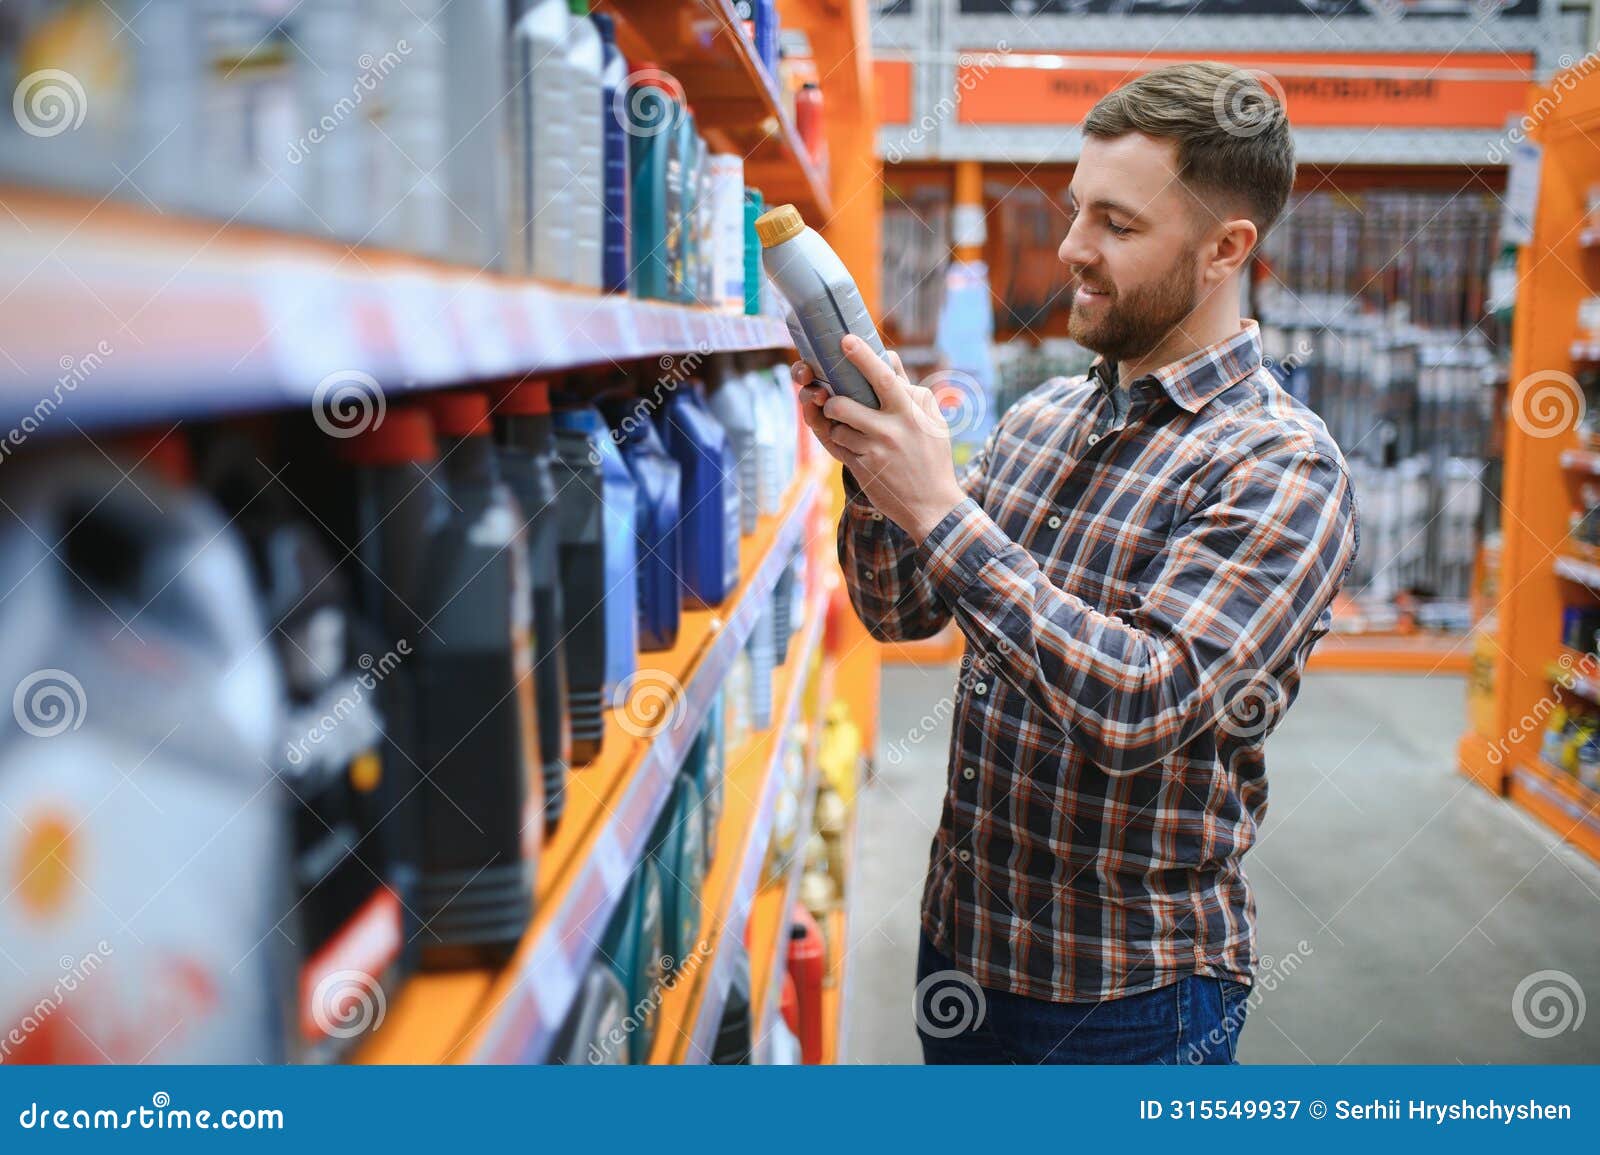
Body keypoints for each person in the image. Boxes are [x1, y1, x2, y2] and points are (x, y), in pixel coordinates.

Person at [793, 61, 1358, 1064]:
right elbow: (900, 613)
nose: (1071, 249)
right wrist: (875, 466)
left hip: (1124, 998)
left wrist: (937, 504)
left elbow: (1138, 709)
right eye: (1074, 211)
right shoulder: (1043, 417)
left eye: (1118, 224)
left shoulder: (1280, 466)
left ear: (1225, 249)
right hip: (962, 950)